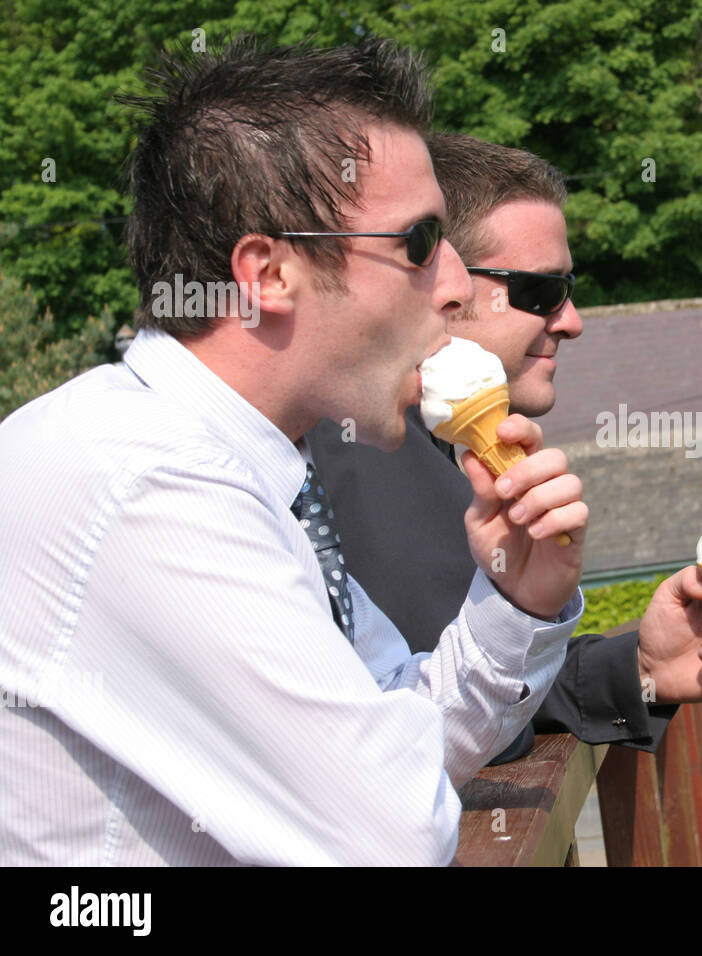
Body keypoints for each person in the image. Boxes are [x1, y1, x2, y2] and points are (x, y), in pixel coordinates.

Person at [0, 37, 588, 865]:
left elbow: (399, 722)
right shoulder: (149, 482)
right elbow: (388, 834)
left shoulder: (244, 463)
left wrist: (517, 604)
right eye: (420, 244)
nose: (457, 287)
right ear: (267, 273)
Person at [309, 133, 702, 761]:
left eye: (568, 288)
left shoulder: (436, 442)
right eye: (540, 291)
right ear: (440, 280)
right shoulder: (354, 447)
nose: (571, 319)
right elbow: (431, 721)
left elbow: (468, 681)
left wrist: (642, 668)